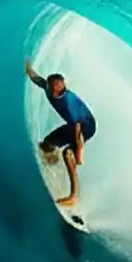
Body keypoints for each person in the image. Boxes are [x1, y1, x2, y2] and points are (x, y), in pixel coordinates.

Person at [25, 59, 96, 206]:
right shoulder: (48, 88)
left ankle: (73, 196)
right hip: (74, 125)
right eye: (56, 87)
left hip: (86, 126)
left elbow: (77, 132)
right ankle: (54, 168)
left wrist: (79, 155)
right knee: (46, 145)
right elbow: (38, 80)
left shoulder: (67, 102)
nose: (60, 89)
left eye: (61, 86)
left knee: (67, 153)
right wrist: (27, 68)